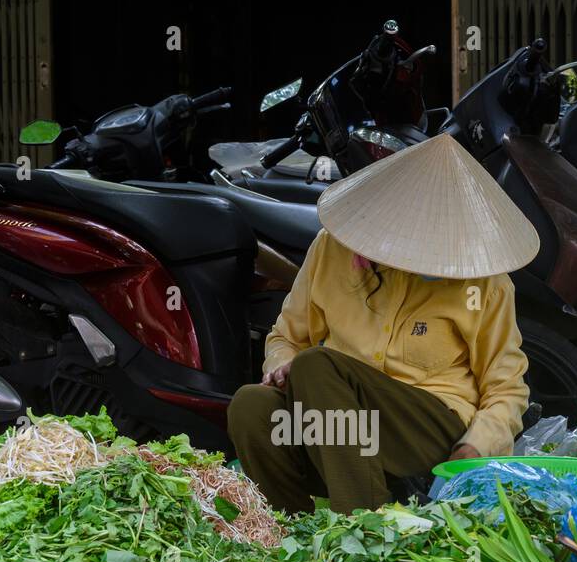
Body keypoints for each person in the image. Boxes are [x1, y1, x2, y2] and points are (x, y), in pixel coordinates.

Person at [227, 133, 537, 515]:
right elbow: (285, 337)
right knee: (251, 405)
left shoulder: (484, 284)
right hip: (341, 429)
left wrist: (475, 446)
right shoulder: (331, 249)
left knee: (318, 366)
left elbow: (506, 388)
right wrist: (279, 366)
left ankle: (365, 528)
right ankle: (292, 532)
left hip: (427, 429)